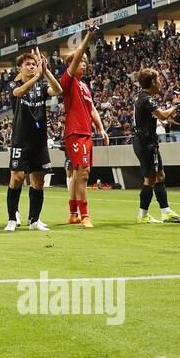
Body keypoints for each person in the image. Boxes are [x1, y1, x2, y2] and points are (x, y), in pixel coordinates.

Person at [5, 48, 61, 233]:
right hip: (21, 140)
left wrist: (46, 72)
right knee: (17, 178)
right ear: (19, 68)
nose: (31, 67)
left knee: (38, 181)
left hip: (39, 141)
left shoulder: (41, 86)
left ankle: (34, 220)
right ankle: (12, 218)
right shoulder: (13, 84)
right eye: (28, 64)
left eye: (33, 64)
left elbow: (58, 90)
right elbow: (19, 92)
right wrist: (37, 76)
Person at [58, 20, 108, 227]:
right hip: (75, 132)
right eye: (82, 62)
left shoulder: (85, 87)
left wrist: (101, 128)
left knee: (78, 174)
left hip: (86, 132)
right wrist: (88, 36)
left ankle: (73, 213)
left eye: (87, 63)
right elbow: (77, 55)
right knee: (83, 174)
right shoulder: (68, 81)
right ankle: (85, 215)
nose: (84, 65)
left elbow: (92, 109)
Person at [133, 69, 180, 224]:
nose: (160, 82)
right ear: (152, 82)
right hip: (145, 143)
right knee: (150, 179)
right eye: (158, 80)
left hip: (147, 142)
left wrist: (174, 104)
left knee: (159, 176)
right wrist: (177, 106)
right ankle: (143, 216)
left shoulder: (143, 98)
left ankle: (166, 212)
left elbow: (158, 114)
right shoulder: (146, 99)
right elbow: (163, 115)